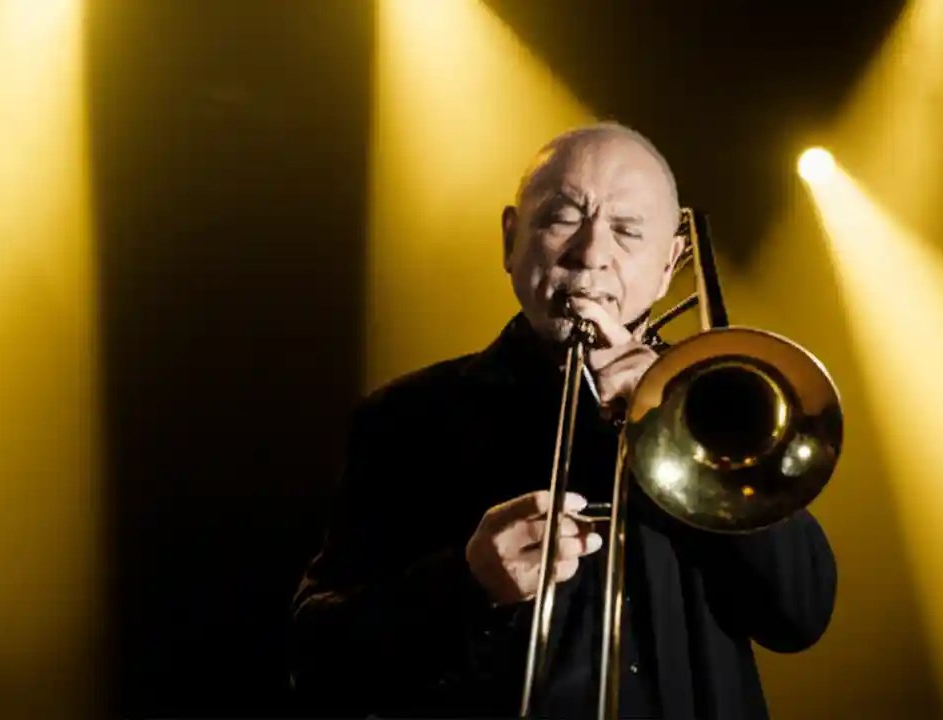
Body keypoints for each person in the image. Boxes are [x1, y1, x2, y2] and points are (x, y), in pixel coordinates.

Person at [288, 121, 837, 719]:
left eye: (627, 231)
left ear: (669, 264)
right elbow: (319, 662)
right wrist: (468, 587)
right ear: (510, 239)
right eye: (563, 218)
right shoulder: (405, 417)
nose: (591, 253)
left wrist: (678, 415)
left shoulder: (720, 414)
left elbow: (799, 615)